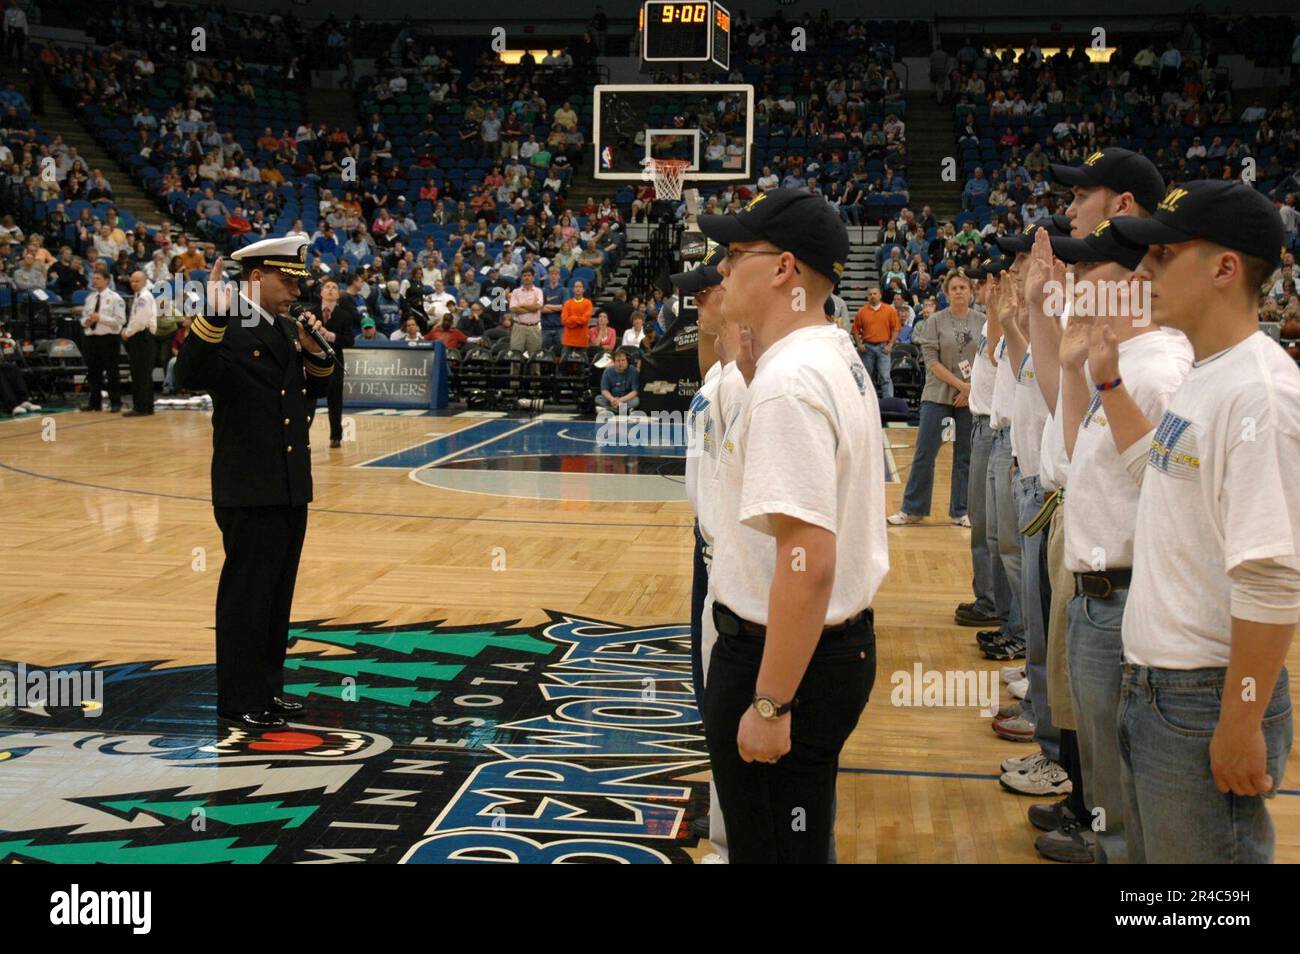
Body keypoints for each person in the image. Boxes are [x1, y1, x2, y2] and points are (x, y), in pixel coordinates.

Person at [1102, 182, 1299, 863]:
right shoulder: (1209, 373)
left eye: (1165, 253)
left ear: (1224, 269)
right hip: (1161, 685)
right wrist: (1105, 384)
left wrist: (1241, 719)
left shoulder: (1261, 396)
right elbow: (1155, 476)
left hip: (1203, 695)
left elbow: (1273, 578)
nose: (1146, 270)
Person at [698, 188, 887, 863]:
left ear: (782, 270)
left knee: (770, 847)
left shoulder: (790, 382)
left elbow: (809, 558)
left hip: (783, 658)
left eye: (735, 254)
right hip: (829, 650)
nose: (722, 269)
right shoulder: (827, 356)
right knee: (798, 840)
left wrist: (771, 703)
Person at [1044, 220, 1191, 863]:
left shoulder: (1162, 372)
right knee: (1107, 789)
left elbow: (1170, 494)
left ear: (1132, 281)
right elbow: (1081, 463)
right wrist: (1076, 370)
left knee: (1134, 798)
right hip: (1094, 595)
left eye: (1089, 267)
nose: (1074, 278)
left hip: (1129, 598)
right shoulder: (1120, 360)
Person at [174, 234, 334, 728]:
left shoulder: (286, 327)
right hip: (249, 483)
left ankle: (267, 687)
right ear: (256, 278)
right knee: (247, 596)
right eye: (286, 281)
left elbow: (320, 386)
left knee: (276, 593)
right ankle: (239, 698)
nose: (294, 291)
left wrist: (317, 352)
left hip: (287, 482)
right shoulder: (229, 328)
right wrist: (214, 314)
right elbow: (188, 375)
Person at [888, 268, 979, 527]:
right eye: (954, 288)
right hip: (937, 395)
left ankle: (961, 511)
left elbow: (986, 359)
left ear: (971, 292)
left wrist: (969, 389)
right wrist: (961, 385)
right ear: (946, 293)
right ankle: (912, 508)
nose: (959, 291)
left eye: (963, 287)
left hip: (969, 398)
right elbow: (932, 362)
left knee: (965, 456)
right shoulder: (935, 321)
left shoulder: (982, 321)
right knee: (925, 452)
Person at [79, 271, 126, 412]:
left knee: (112, 372)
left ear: (106, 280)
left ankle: (116, 402)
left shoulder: (115, 298)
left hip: (109, 339)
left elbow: (120, 321)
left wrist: (101, 318)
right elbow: (83, 317)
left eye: (98, 278)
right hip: (91, 338)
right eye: (93, 278)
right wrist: (86, 322)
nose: (95, 280)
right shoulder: (90, 298)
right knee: (93, 372)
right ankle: (94, 402)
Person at [318, 276, 356, 448]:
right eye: (327, 287)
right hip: (312, 360)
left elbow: (350, 340)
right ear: (321, 292)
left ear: (338, 295)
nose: (331, 289)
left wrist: (331, 336)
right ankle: (302, 434)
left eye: (334, 287)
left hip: (335, 362)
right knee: (308, 401)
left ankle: (336, 435)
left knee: (335, 400)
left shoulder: (344, 315)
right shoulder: (311, 312)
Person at [851, 286, 900, 399]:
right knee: (867, 378)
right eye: (870, 294)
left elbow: (896, 329)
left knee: (885, 377)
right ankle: (868, 402)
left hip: (884, 347)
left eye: (875, 293)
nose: (872, 296)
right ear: (867, 297)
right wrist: (859, 344)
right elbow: (855, 330)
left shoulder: (889, 310)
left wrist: (890, 345)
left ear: (880, 295)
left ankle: (888, 402)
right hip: (867, 347)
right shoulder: (862, 311)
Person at [121, 271, 158, 416]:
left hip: (141, 337)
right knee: (143, 373)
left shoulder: (144, 297)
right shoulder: (140, 297)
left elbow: (140, 321)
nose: (133, 284)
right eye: (132, 281)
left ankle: (141, 407)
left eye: (137, 281)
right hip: (142, 337)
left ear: (144, 282)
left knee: (140, 373)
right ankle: (146, 406)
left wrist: (127, 332)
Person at [508, 268, 544, 352]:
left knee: (535, 357)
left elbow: (537, 306)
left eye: (529, 275)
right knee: (515, 356)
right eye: (524, 276)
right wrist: (532, 308)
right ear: (521, 277)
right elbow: (513, 308)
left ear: (533, 277)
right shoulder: (515, 292)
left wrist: (521, 305)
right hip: (518, 327)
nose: (526, 278)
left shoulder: (538, 291)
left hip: (534, 327)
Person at [560, 280, 592, 351]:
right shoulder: (567, 303)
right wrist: (578, 321)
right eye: (576, 287)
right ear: (573, 289)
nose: (578, 288)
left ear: (583, 290)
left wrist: (572, 318)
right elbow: (564, 320)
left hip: (582, 340)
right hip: (568, 340)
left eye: (580, 287)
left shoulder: (588, 303)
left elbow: (585, 320)